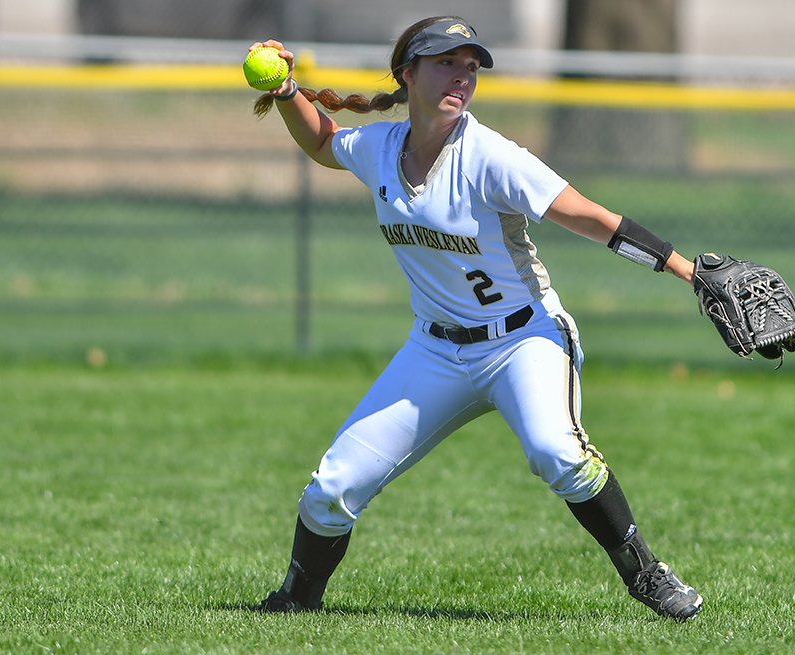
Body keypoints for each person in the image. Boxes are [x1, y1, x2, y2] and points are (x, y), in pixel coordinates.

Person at [249, 16, 703, 621]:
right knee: (331, 487)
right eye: (445, 62)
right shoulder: (382, 149)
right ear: (407, 74)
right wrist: (285, 94)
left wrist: (689, 270)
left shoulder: (491, 157)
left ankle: (647, 574)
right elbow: (323, 143)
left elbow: (590, 217)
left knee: (555, 451)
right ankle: (296, 601)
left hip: (525, 339)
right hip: (434, 350)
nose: (462, 75)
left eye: (471, 66)